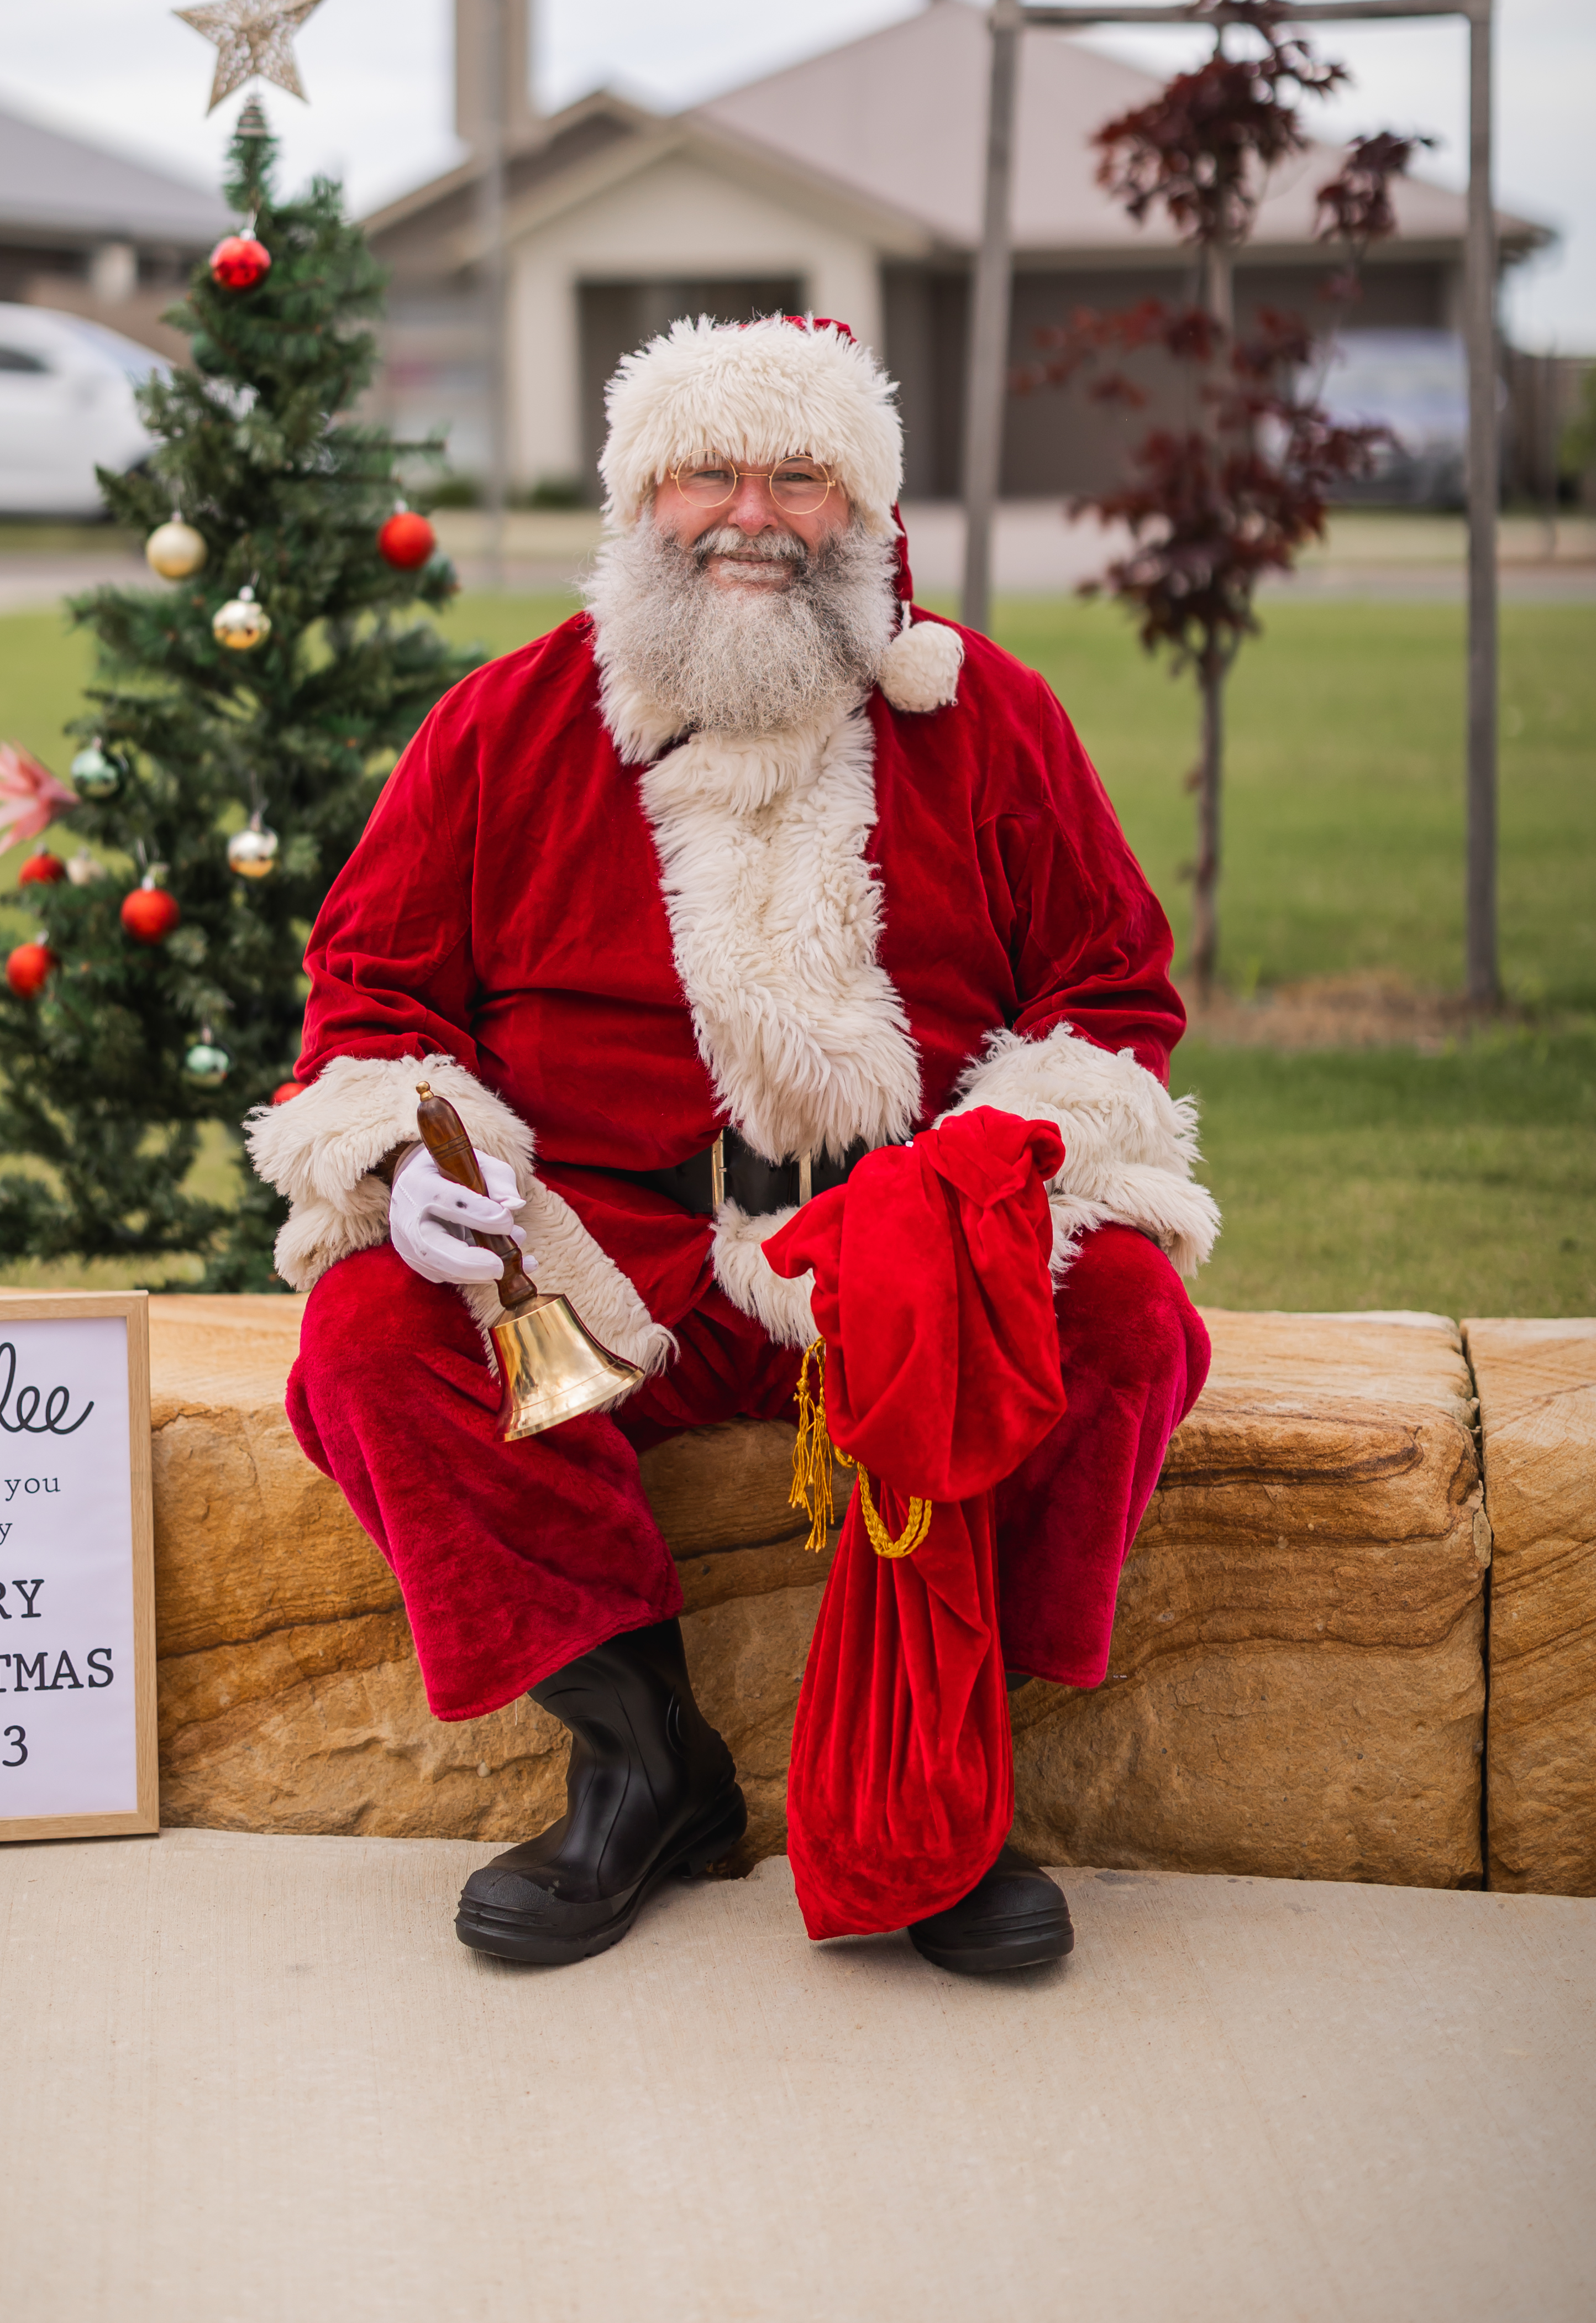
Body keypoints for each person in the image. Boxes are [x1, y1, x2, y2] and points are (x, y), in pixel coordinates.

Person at [250, 313, 1216, 1973]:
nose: (749, 515)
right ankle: (644, 1763)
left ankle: (936, 1771)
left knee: (1128, 1317)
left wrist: (987, 1187)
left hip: (907, 1239)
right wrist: (408, 1159)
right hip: (604, 1247)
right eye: (706, 471)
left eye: (798, 475)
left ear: (868, 508)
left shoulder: (991, 721)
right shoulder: (506, 725)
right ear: (642, 498)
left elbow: (1115, 994)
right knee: (361, 1337)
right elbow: (372, 994)